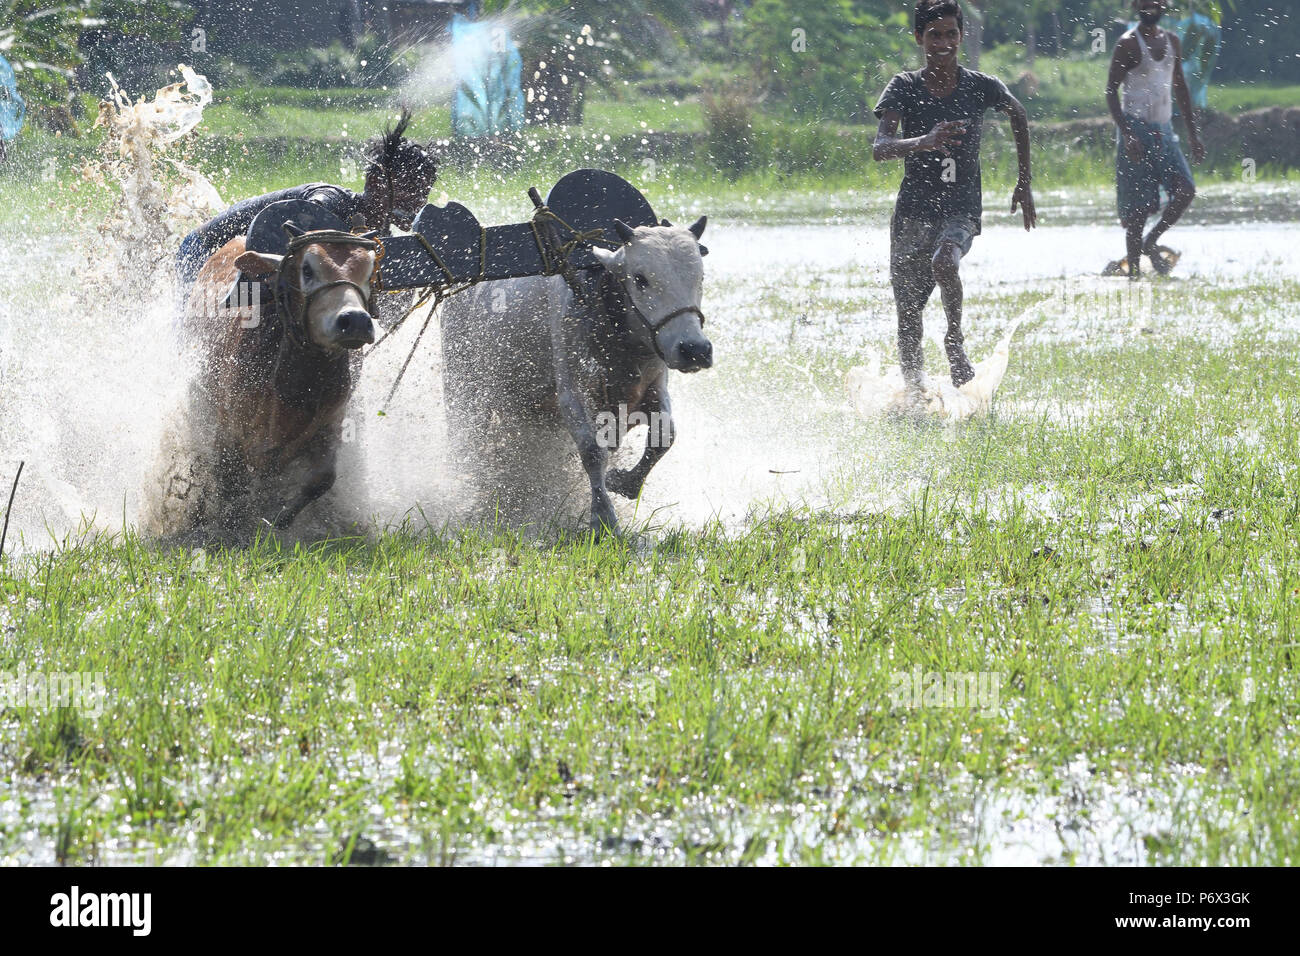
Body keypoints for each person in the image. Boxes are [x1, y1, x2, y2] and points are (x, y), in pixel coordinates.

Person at [873, 0, 1035, 399]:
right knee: (908, 316)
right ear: (919, 38)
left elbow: (1018, 114)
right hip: (913, 211)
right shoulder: (904, 86)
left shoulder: (980, 85)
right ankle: (914, 397)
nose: (943, 43)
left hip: (960, 206)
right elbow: (880, 147)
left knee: (945, 261)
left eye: (951, 34)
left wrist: (1024, 181)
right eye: (934, 35)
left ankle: (955, 340)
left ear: (961, 37)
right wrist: (923, 141)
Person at [174, 107, 437, 315]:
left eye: (424, 191)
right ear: (376, 183)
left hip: (233, 260)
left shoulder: (374, 237)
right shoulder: (324, 205)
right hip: (204, 250)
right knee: (193, 336)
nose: (419, 201)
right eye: (411, 189)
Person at [1105, 0, 1204, 278]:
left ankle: (1152, 241)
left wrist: (1194, 134)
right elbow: (1110, 93)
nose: (1150, 6)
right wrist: (1126, 133)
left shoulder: (1172, 41)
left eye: (1155, 2)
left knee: (1186, 190)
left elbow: (1181, 87)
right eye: (1144, 2)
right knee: (1136, 212)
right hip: (1135, 132)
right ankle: (1134, 273)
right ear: (1136, 5)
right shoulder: (1128, 43)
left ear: (1164, 6)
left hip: (1165, 131)